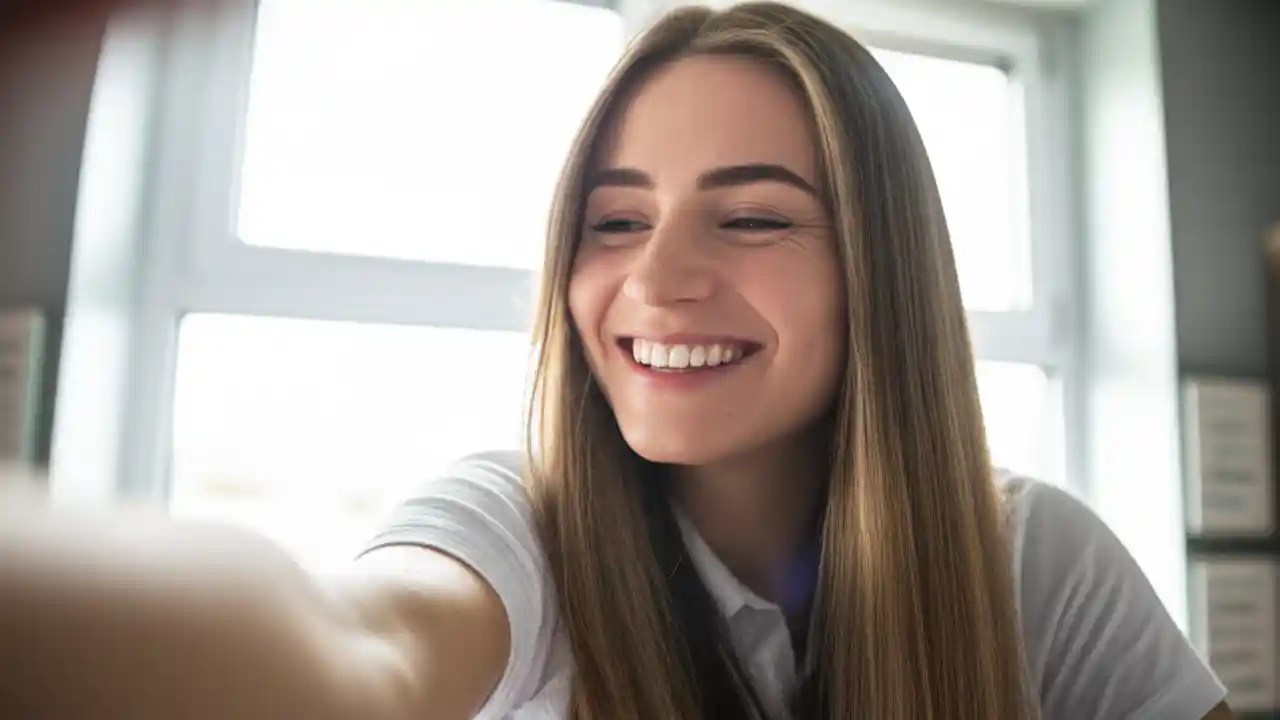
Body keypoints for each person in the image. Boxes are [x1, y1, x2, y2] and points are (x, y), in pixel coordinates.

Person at [0, 3, 1234, 719]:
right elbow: (359, 658)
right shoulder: (511, 527)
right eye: (614, 221)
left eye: (749, 217)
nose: (656, 281)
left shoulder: (1032, 557)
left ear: (882, 269)